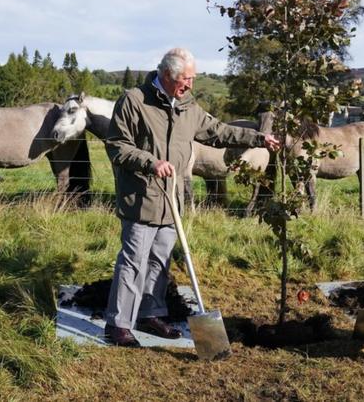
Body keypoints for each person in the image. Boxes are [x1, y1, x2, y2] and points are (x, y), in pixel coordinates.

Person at [103, 48, 280, 347]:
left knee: (160, 261)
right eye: (186, 79)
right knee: (133, 261)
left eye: (193, 79)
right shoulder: (134, 101)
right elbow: (117, 145)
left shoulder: (187, 105)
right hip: (142, 197)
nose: (190, 85)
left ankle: (150, 314)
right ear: (167, 76)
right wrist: (150, 162)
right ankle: (118, 325)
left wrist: (258, 138)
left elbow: (217, 131)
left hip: (172, 201)